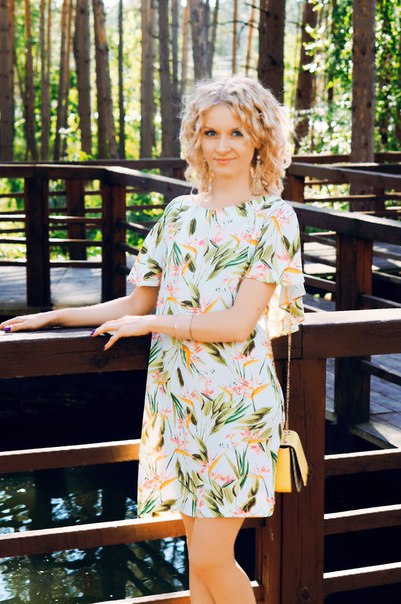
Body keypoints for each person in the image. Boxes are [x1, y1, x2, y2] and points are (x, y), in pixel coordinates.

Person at [1, 75, 305, 603]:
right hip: (177, 400)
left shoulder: (274, 218)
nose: (223, 146)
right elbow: (135, 304)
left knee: (212, 558)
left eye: (236, 132)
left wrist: (155, 325)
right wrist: (53, 318)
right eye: (210, 132)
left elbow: (237, 324)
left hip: (238, 405)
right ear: (196, 139)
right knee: (197, 565)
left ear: (260, 138)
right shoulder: (178, 214)